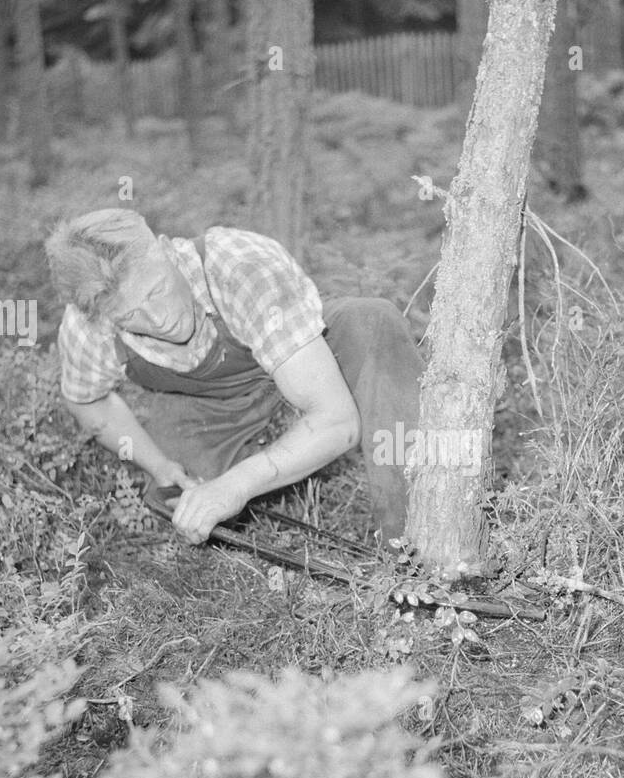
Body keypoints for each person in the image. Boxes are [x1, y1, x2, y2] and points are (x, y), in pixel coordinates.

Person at [44, 208, 423, 543]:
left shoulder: (241, 266)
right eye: (131, 316)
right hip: (210, 408)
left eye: (157, 290)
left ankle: (413, 537)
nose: (159, 319)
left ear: (166, 249)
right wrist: (158, 465)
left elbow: (338, 421)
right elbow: (86, 398)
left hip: (304, 362)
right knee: (179, 504)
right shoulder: (91, 326)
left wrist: (238, 484)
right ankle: (260, 461)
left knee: (372, 324)